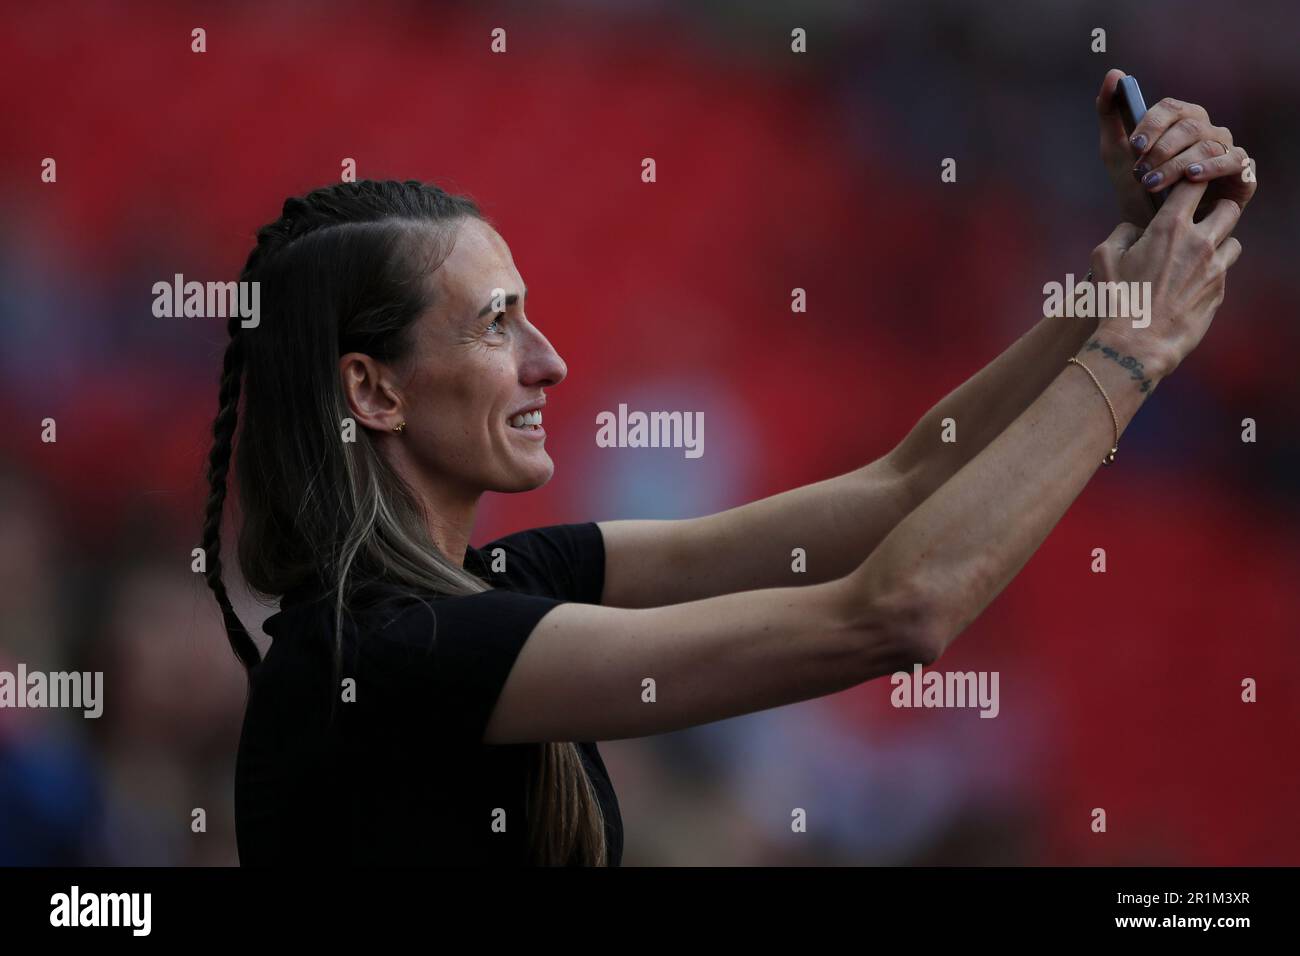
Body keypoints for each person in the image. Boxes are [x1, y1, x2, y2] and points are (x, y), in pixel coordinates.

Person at [203, 70, 1254, 866]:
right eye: (495, 325)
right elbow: (892, 612)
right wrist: (1132, 354)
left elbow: (900, 488)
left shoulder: (507, 582)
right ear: (375, 392)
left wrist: (1114, 282)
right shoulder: (391, 646)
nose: (549, 362)